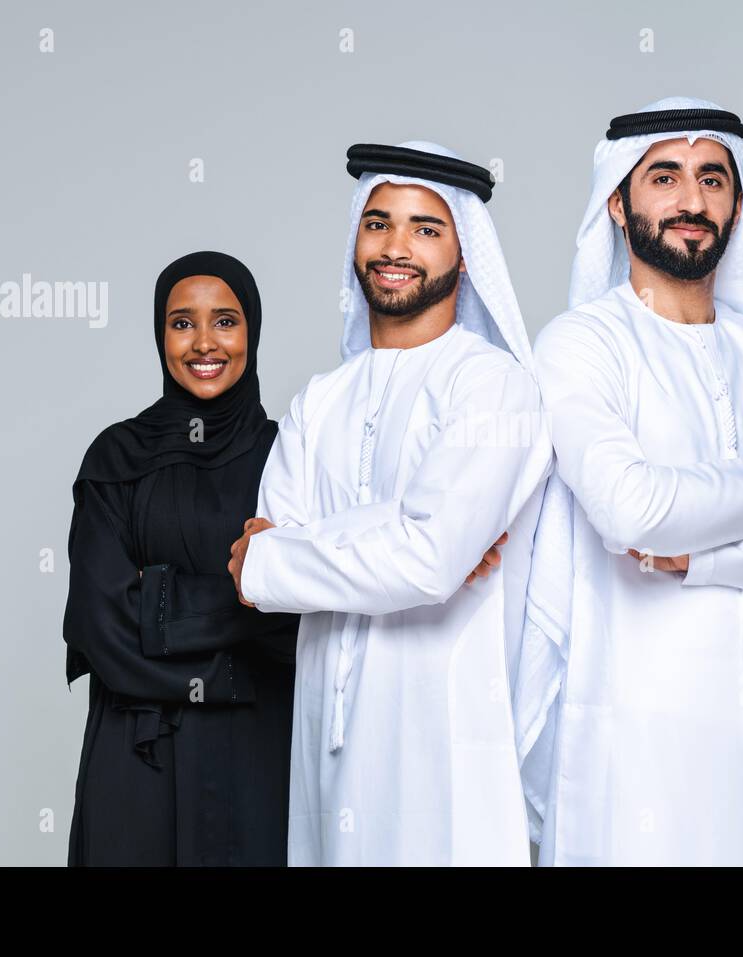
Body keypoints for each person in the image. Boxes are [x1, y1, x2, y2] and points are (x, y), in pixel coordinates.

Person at [514, 98, 743, 865]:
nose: (691, 200)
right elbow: (635, 509)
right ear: (618, 203)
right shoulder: (582, 344)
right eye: (665, 177)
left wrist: (710, 558)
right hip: (634, 741)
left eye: (713, 179)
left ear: (736, 203)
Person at [228, 143, 552, 866]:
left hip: (444, 746)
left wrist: (287, 556)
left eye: (425, 228)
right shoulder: (318, 401)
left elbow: (427, 560)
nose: (396, 246)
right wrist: (401, 537)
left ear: (464, 255)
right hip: (325, 744)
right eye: (378, 223)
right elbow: (270, 580)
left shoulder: (493, 386)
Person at [63, 251, 298, 866]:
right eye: (180, 322)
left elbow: (308, 617)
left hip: (259, 754)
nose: (202, 343)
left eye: (225, 321)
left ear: (252, 331)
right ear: (159, 335)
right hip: (139, 754)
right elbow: (98, 621)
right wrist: (250, 593)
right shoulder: (117, 457)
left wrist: (158, 599)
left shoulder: (291, 456)